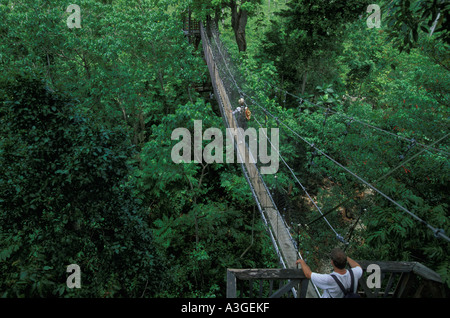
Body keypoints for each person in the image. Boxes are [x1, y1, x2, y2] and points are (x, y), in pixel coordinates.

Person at [295, 248, 363, 298]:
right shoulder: (355, 273)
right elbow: (357, 266)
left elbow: (308, 274)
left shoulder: (329, 279)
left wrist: (302, 262)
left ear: (332, 262)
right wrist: (345, 257)